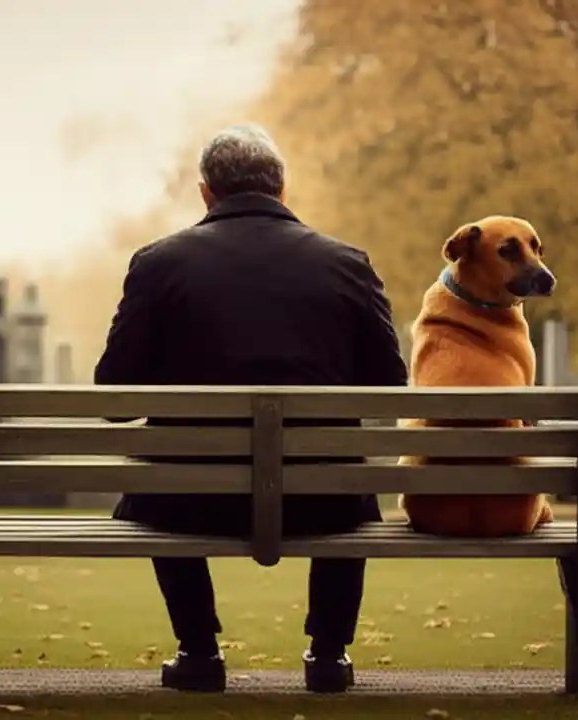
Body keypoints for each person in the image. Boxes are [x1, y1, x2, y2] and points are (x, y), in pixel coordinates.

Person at [94, 124, 407, 693]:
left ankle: (199, 650)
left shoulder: (157, 264)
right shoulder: (348, 263)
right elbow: (389, 385)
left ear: (206, 193)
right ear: (282, 190)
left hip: (189, 504)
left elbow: (115, 397)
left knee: (158, 482)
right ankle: (329, 655)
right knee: (351, 482)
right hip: (322, 502)